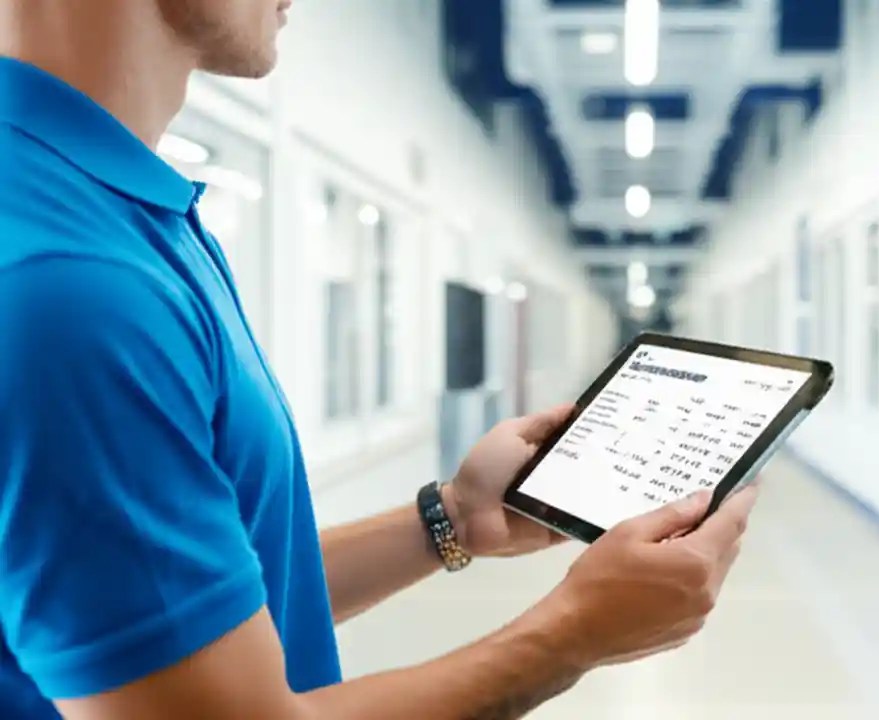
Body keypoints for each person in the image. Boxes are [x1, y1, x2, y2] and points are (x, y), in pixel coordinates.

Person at [0, 1, 758, 717]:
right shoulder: (71, 280)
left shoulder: (119, 221)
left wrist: (450, 518)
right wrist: (573, 633)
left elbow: (195, 609)